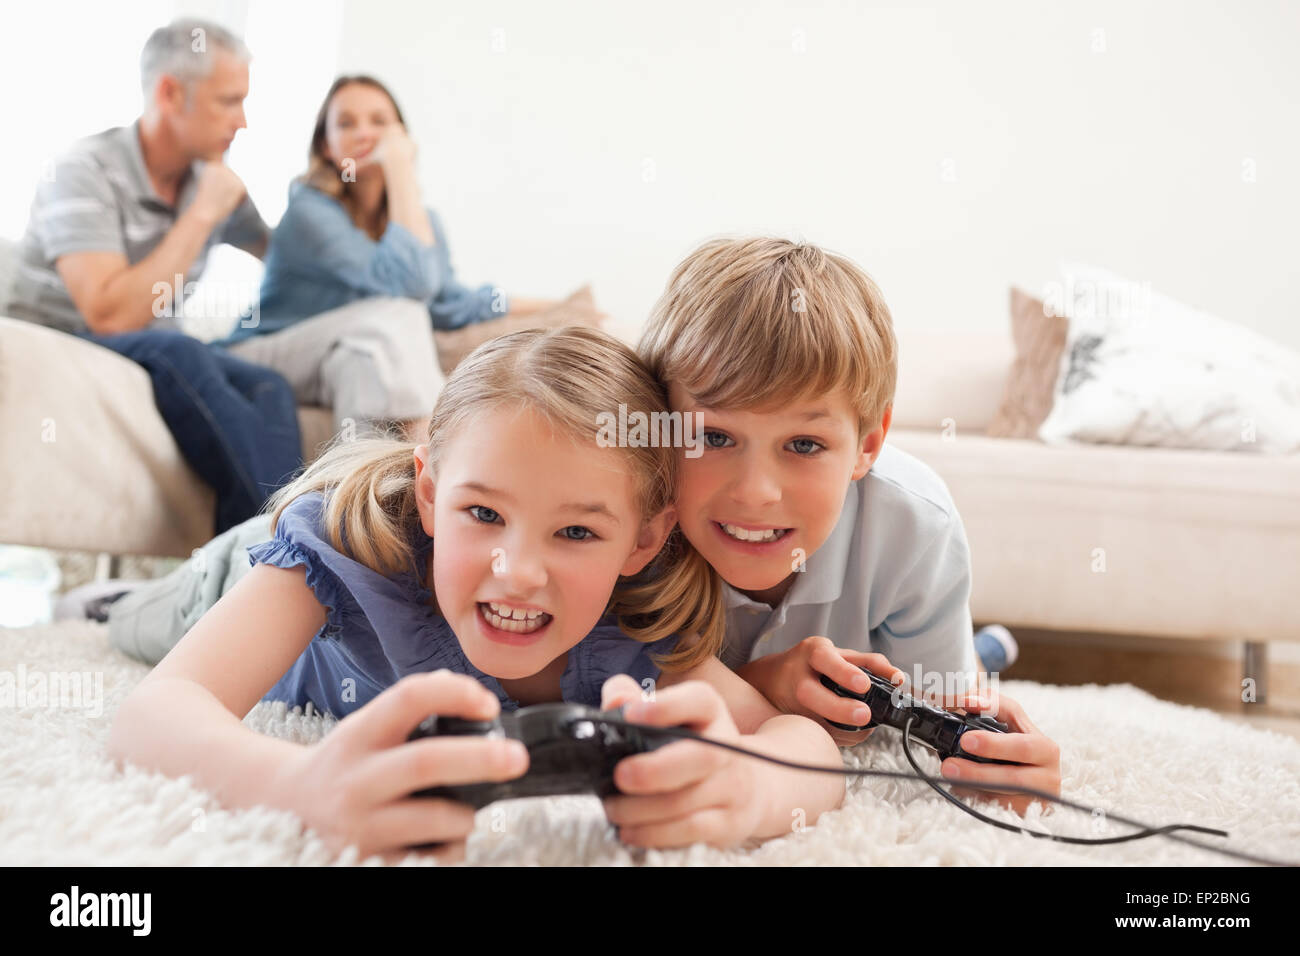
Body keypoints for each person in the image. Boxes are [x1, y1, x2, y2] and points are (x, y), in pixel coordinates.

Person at [107, 326, 847, 864]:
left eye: (578, 533)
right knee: (125, 623)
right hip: (222, 576)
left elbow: (805, 744)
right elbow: (154, 711)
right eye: (484, 515)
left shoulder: (633, 621)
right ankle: (105, 599)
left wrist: (747, 788)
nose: (520, 571)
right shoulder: (343, 545)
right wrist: (299, 786)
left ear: (642, 543)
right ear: (431, 496)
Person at [637, 236, 1061, 815]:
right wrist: (764, 682)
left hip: (886, 655)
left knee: (929, 686)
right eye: (714, 437)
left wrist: (1001, 759)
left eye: (805, 444)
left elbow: (942, 713)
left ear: (868, 445)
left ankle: (987, 649)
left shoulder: (915, 527)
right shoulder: (629, 522)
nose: (757, 492)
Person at [6, 18, 301, 533]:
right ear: (170, 93)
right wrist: (203, 213)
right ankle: (273, 554)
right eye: (228, 102)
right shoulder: (83, 170)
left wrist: (330, 191)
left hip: (150, 337)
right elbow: (109, 314)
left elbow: (287, 260)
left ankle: (260, 560)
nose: (243, 122)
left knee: (270, 386)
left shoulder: (206, 177)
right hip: (67, 330)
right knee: (182, 350)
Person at [216, 74, 575, 441]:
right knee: (397, 312)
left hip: (343, 350)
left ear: (401, 135)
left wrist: (558, 305)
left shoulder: (422, 222)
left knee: (359, 362)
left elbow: (448, 304)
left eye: (379, 122)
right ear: (326, 146)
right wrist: (399, 168)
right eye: (346, 123)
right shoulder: (309, 211)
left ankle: (365, 488)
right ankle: (434, 449)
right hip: (261, 353)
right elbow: (411, 285)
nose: (364, 133)